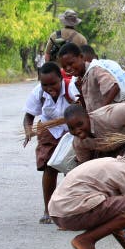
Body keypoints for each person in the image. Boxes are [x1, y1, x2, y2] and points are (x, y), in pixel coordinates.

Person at [22, 62, 79, 224]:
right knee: (49, 167)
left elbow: (82, 108)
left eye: (53, 84)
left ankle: (71, 209)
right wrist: (28, 130)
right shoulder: (38, 92)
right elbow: (28, 116)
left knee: (72, 168)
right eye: (44, 84)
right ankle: (49, 210)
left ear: (60, 79)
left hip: (71, 130)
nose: (49, 88)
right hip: (49, 130)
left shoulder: (72, 88)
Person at [57, 42, 120, 112]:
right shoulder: (77, 80)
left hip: (110, 114)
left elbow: (114, 87)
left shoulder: (94, 70)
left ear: (81, 57)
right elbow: (87, 107)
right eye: (64, 67)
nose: (68, 68)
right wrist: (81, 93)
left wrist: (102, 111)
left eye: (71, 63)